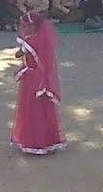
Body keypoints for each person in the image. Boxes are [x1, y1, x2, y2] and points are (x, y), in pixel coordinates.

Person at [11, 12, 65, 154]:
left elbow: (18, 54)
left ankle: (33, 141)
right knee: (45, 109)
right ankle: (49, 140)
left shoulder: (30, 42)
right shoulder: (43, 42)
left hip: (30, 79)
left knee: (31, 110)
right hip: (41, 79)